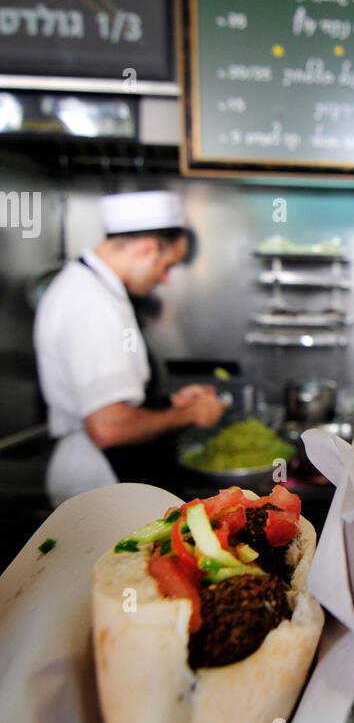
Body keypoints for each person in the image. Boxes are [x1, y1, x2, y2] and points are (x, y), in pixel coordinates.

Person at [35, 189, 225, 507]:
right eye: (167, 264)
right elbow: (109, 427)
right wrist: (190, 413)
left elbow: (112, 404)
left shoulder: (92, 288)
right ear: (148, 249)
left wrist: (168, 404)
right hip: (99, 480)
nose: (164, 278)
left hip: (105, 474)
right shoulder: (92, 303)